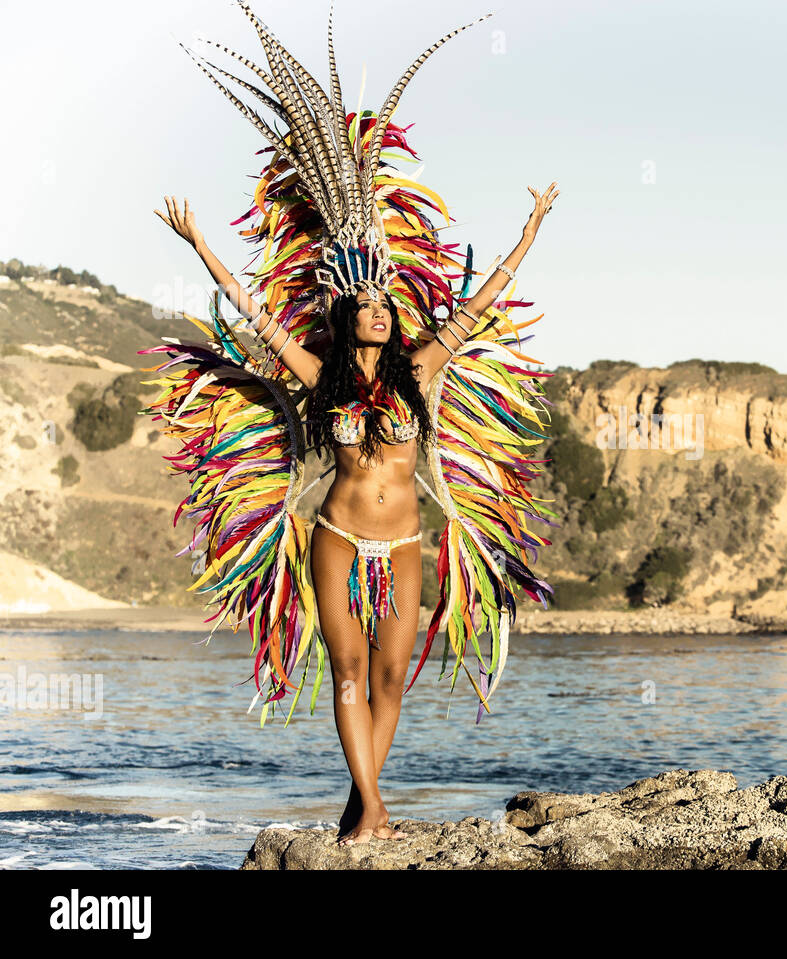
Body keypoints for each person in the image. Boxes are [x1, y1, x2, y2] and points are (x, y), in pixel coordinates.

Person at [142, 3, 558, 847]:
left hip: (405, 543)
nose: (377, 310)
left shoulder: (422, 368)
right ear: (344, 314)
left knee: (394, 675)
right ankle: (372, 810)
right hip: (335, 535)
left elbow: (478, 307)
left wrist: (530, 230)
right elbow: (254, 314)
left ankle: (361, 802)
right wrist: (197, 245)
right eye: (363, 303)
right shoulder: (316, 377)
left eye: (383, 303)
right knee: (348, 671)